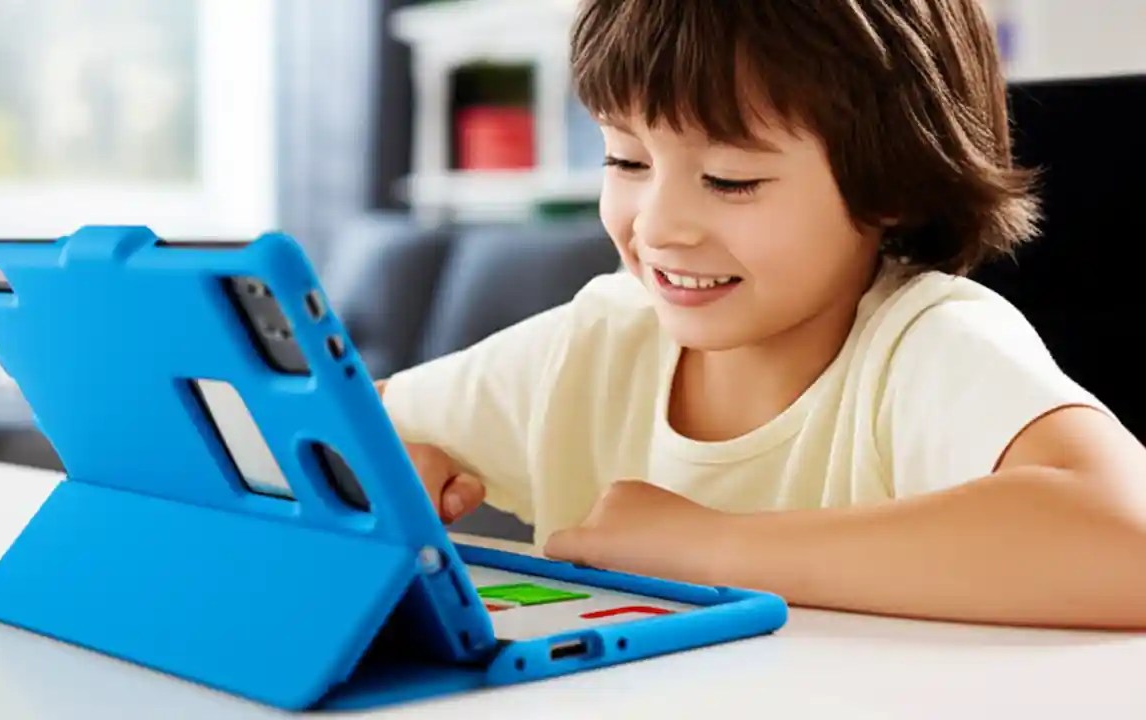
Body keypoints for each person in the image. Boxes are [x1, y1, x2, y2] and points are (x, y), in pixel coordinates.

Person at [377, 0, 1146, 629]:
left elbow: (1129, 541)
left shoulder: (924, 345)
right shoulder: (597, 341)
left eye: (729, 179)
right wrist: (373, 470)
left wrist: (708, 547)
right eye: (626, 160)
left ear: (892, 184)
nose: (658, 225)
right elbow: (350, 427)